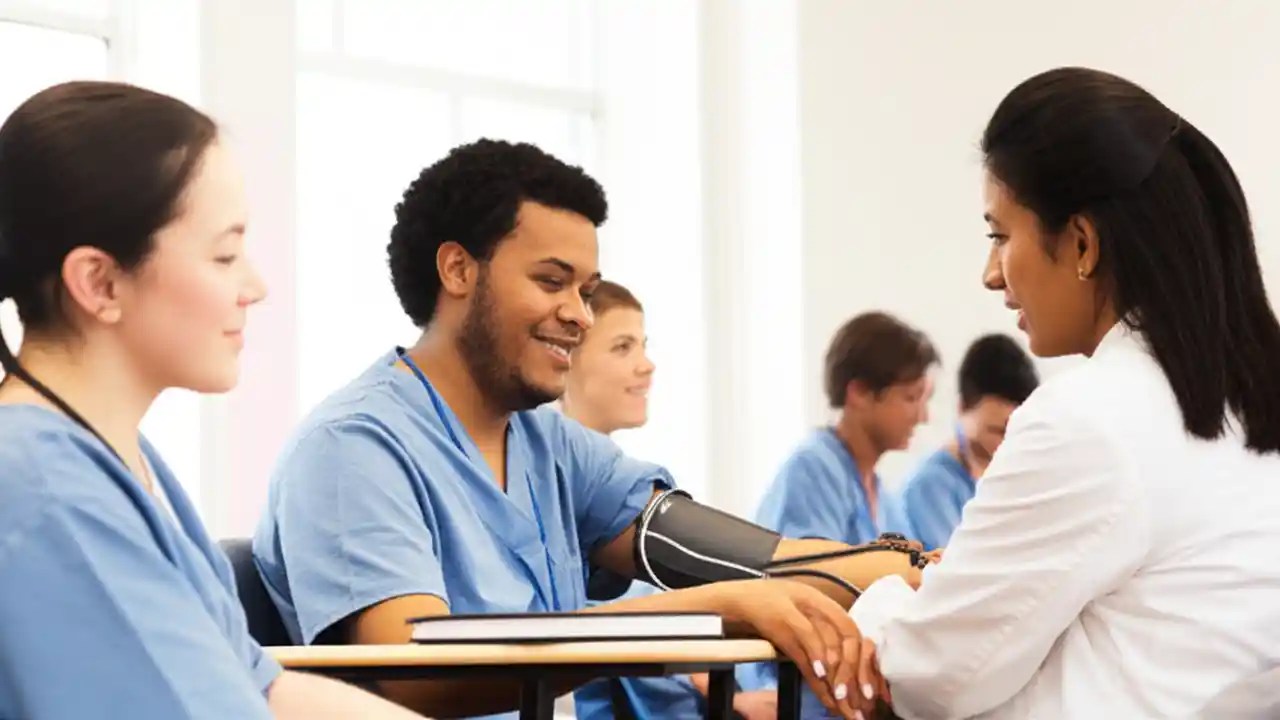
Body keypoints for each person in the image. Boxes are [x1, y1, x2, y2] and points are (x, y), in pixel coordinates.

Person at [253, 139, 923, 720]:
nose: (578, 314)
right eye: (552, 282)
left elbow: (752, 559)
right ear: (457, 269)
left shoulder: (552, 447)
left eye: (586, 289)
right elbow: (409, 664)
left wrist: (914, 569)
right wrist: (722, 607)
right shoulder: (353, 448)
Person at [850, 67, 1280, 719]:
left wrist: (884, 598)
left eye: (999, 235)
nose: (991, 274)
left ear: (1082, 242)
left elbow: (931, 675)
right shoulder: (1245, 399)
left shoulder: (1090, 419)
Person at [0, 81, 425, 719]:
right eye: (225, 255)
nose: (254, 286)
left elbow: (261, 687)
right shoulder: (43, 490)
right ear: (100, 281)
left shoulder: (115, 457)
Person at [560, 281, 778, 720]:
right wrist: (730, 703)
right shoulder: (551, 483)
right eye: (622, 348)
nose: (647, 366)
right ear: (565, 359)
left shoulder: (630, 486)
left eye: (643, 345)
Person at [737, 312, 938, 718]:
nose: (923, 417)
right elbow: (818, 591)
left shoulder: (885, 493)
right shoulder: (814, 470)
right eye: (911, 398)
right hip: (801, 695)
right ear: (860, 393)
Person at [894, 333, 1038, 550]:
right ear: (962, 408)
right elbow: (957, 570)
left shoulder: (1011, 476)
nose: (1008, 442)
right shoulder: (932, 487)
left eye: (1017, 431)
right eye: (997, 431)